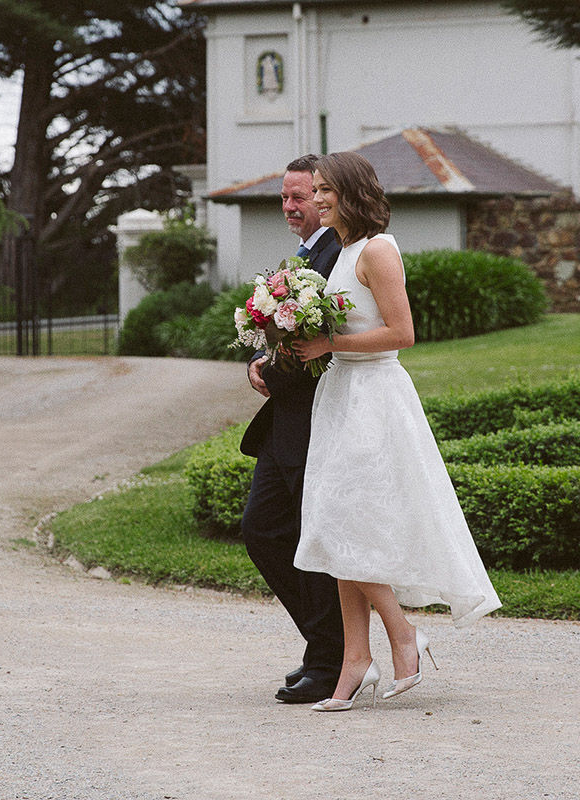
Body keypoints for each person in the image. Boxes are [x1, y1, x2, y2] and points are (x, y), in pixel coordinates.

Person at [291, 151, 501, 712]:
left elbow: (402, 333)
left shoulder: (378, 250)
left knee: (344, 523)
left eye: (323, 190)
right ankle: (356, 661)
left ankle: (402, 632)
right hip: (340, 396)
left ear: (349, 191)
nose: (315, 199)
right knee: (337, 525)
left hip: (374, 400)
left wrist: (328, 343)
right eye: (313, 191)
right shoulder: (344, 252)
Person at [239, 154, 345, 704]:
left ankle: (331, 660)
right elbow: (287, 335)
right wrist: (259, 361)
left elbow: (320, 345)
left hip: (313, 421)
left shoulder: (337, 254)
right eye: (285, 198)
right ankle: (332, 649)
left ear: (326, 198)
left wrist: (272, 371)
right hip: (285, 423)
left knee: (313, 542)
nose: (289, 207)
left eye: (299, 197)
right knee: (263, 530)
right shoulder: (305, 257)